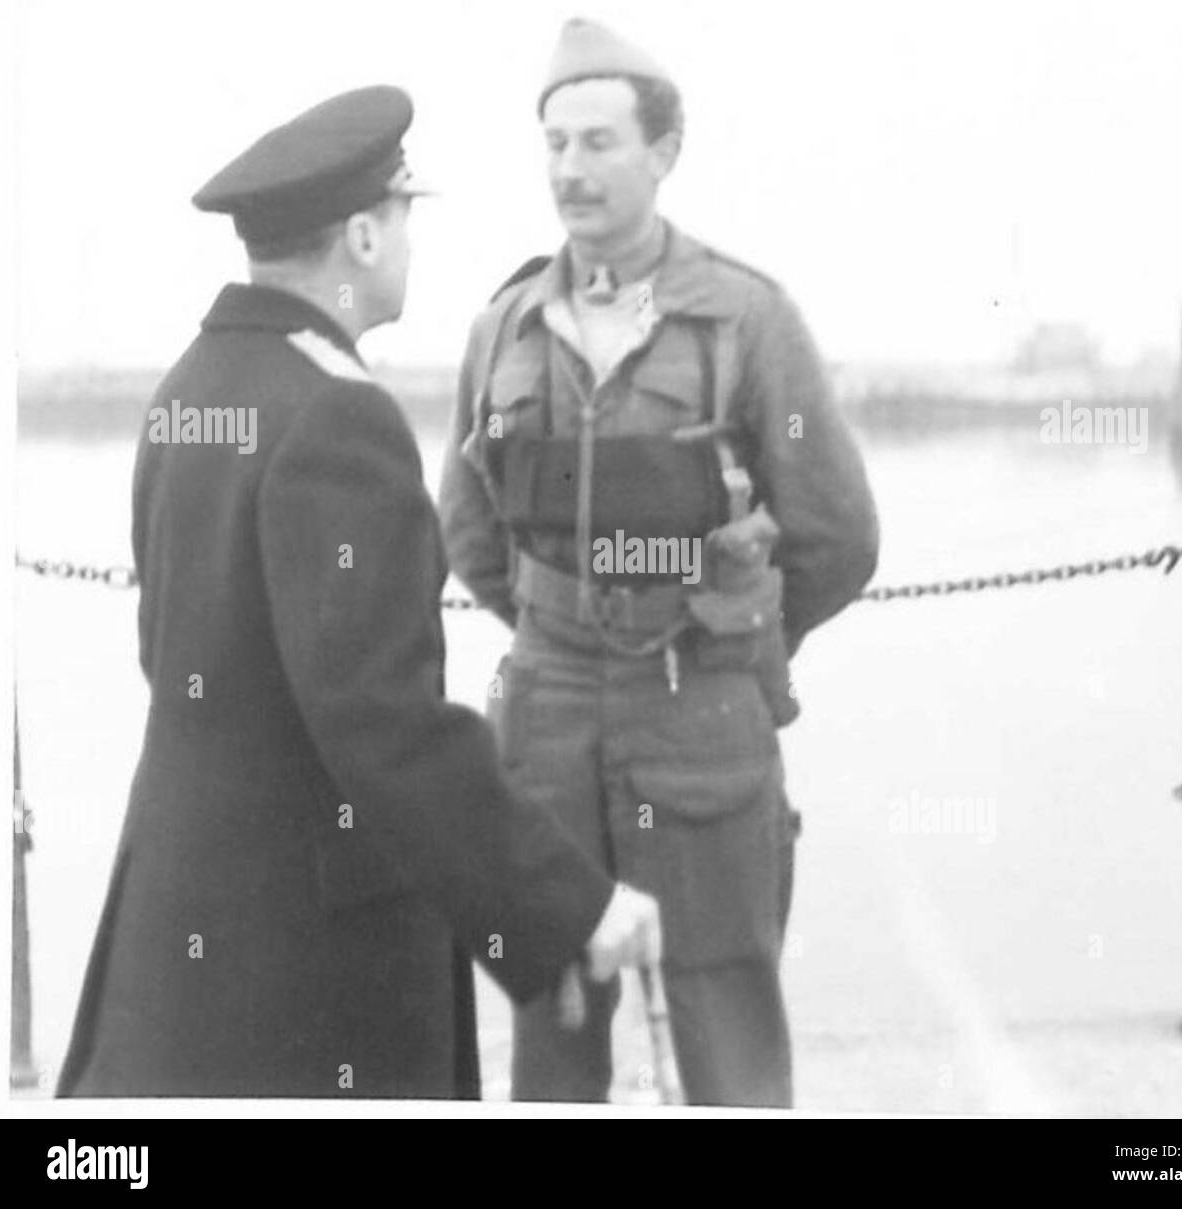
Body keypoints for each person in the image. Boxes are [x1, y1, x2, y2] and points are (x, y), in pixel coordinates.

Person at [56, 84, 660, 1099]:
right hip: (306, 966)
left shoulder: (190, 392)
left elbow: (178, 661)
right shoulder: (340, 422)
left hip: (181, 940)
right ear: (364, 240)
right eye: (403, 215)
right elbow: (382, 723)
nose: (411, 243)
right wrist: (569, 910)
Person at [439, 20, 880, 1106]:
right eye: (554, 145)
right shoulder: (506, 328)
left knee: (724, 1006)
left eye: (598, 143)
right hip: (545, 714)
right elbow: (469, 529)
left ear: (664, 150)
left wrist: (727, 635)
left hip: (702, 711)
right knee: (553, 1013)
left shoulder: (745, 321)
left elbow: (835, 533)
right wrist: (563, 628)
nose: (570, 172)